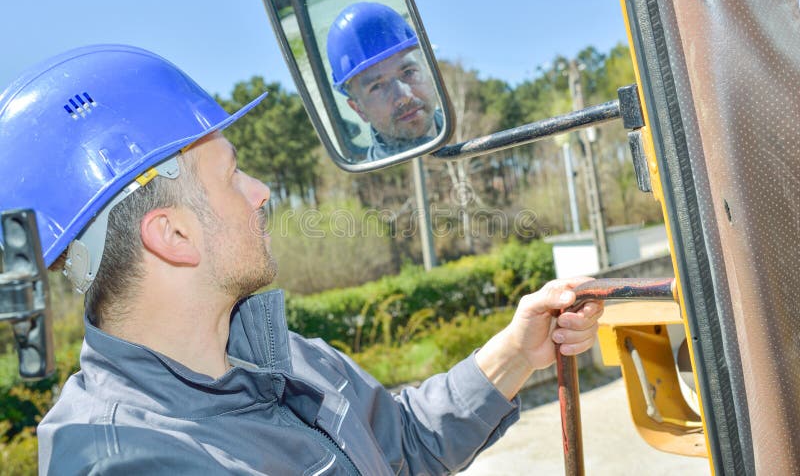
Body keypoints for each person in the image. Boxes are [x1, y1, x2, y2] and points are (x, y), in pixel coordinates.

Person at [0, 45, 603, 474]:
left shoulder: (281, 355)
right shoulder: (128, 459)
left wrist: (516, 354)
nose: (262, 191)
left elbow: (403, 445)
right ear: (174, 236)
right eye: (234, 175)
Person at [327, 2, 442, 160]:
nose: (403, 96)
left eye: (408, 72)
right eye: (377, 87)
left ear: (428, 71)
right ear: (358, 109)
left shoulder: (472, 129)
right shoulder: (370, 181)